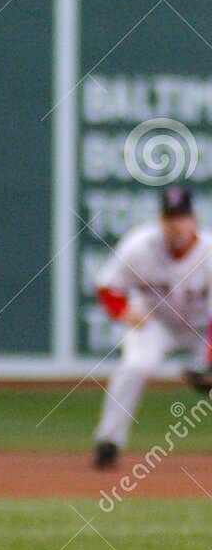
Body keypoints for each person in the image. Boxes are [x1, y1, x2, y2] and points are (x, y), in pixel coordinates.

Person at [93, 184, 212, 468]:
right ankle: (108, 441)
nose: (176, 225)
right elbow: (107, 283)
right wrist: (124, 311)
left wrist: (209, 361)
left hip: (199, 327)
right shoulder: (140, 246)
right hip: (155, 323)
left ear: (193, 219)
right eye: (170, 218)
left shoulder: (209, 252)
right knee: (135, 366)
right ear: (161, 220)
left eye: (181, 217)